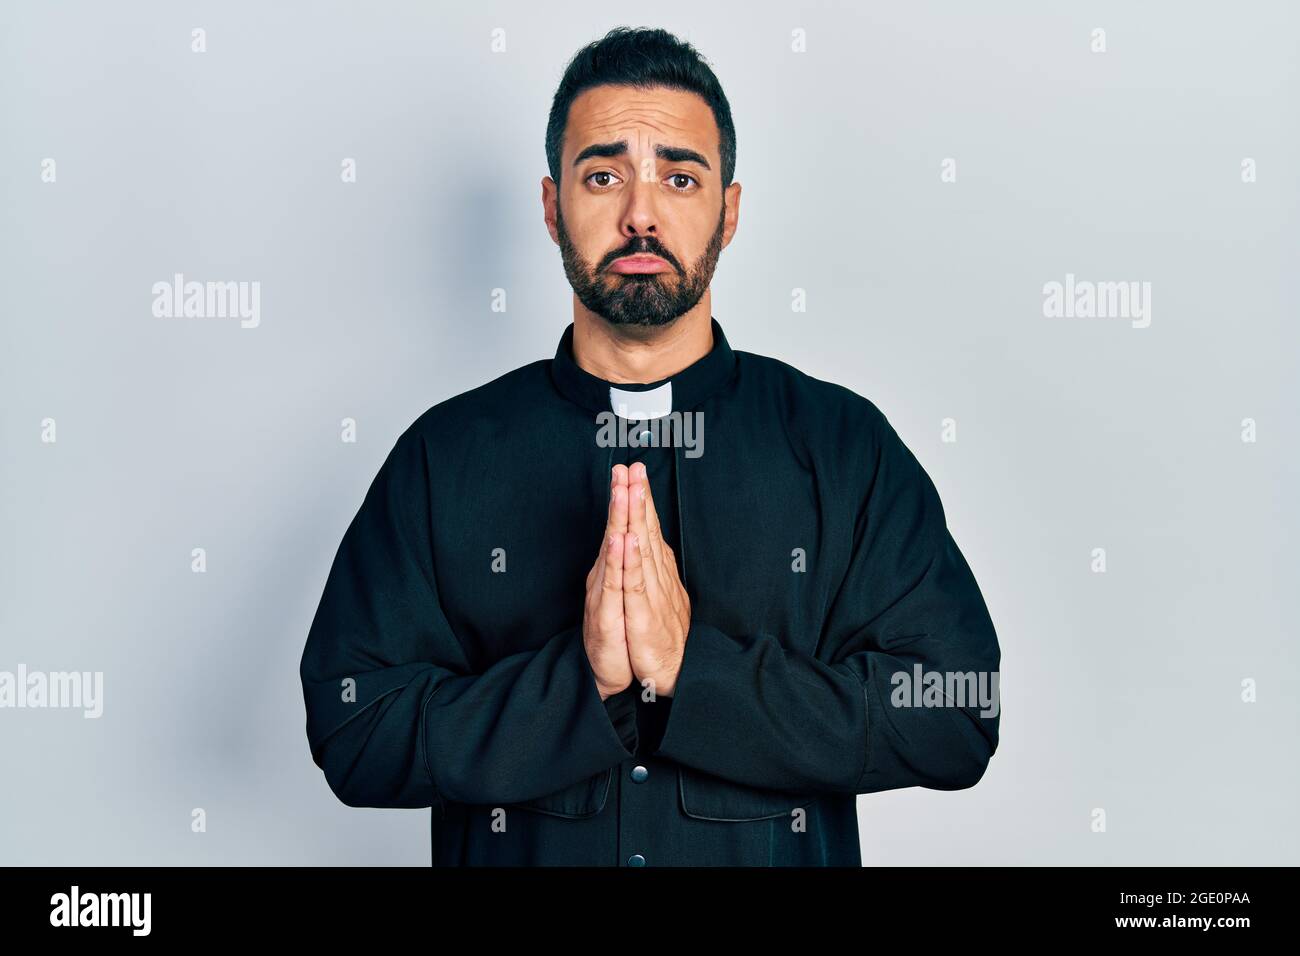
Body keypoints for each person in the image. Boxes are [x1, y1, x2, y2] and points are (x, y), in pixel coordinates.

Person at [299, 26, 1001, 866]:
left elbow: (960, 713)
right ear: (553, 206)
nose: (640, 213)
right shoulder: (444, 456)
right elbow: (352, 726)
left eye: (678, 176)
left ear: (728, 212)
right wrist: (581, 685)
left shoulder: (842, 446)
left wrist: (692, 671)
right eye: (603, 177)